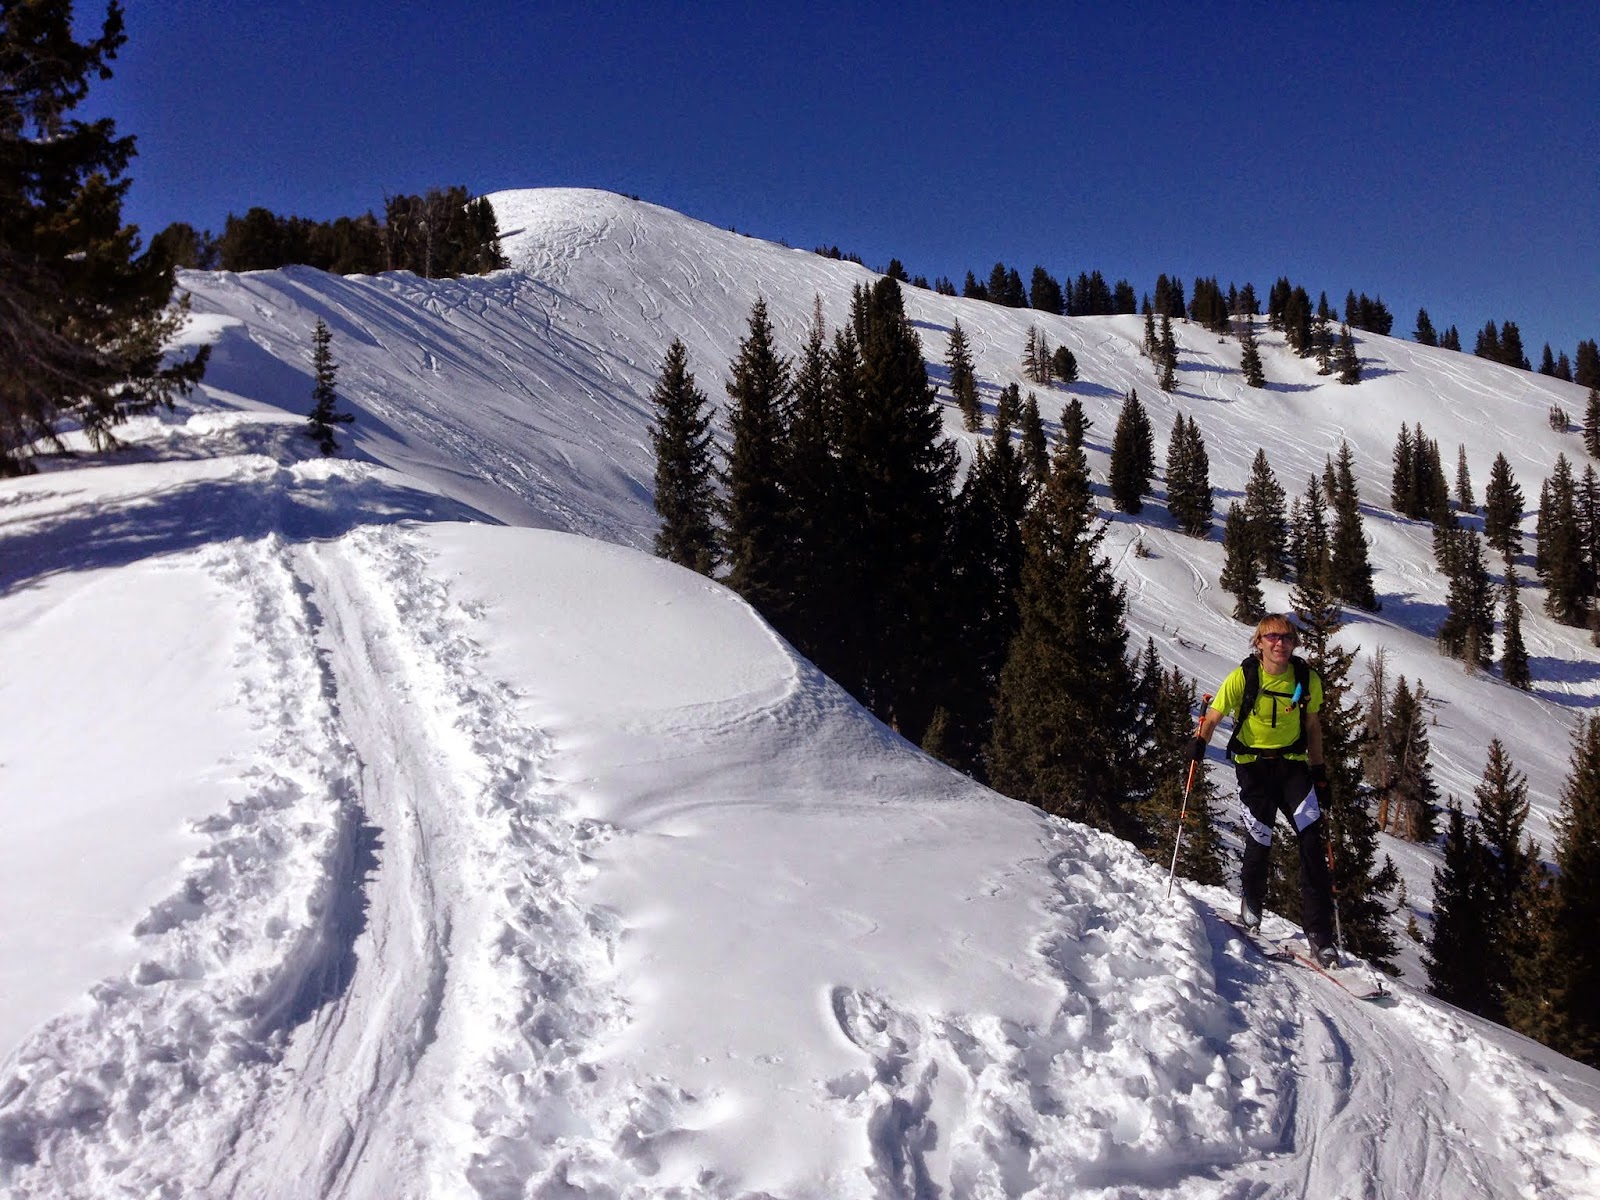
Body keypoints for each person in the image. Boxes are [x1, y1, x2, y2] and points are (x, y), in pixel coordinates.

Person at [1191, 614, 1339, 967]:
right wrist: (1199, 742)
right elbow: (1212, 717)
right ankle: (1252, 903)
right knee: (1261, 837)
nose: (1280, 644)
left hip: (1292, 765)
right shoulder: (1245, 676)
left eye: (1287, 638)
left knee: (1311, 840)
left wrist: (1318, 771)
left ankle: (1319, 933)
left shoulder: (1306, 678)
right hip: (1252, 766)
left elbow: (1313, 726)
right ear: (1259, 642)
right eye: (1272, 638)